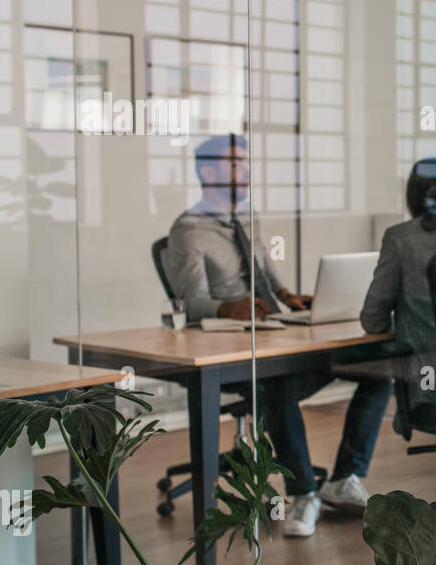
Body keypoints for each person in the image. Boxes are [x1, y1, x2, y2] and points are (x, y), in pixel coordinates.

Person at [162, 133, 390, 537]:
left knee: (380, 369)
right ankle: (303, 493)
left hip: (274, 330)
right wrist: (227, 306)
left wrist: (288, 296)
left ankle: (344, 478)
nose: (246, 170)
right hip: (233, 345)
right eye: (237, 163)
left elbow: (267, 276)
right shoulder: (188, 231)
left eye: (246, 162)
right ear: (208, 171)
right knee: (279, 383)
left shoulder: (246, 217)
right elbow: (190, 301)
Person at [360, 157, 436, 432]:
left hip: (428, 392)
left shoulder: (400, 239)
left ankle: (347, 472)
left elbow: (373, 320)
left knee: (373, 375)